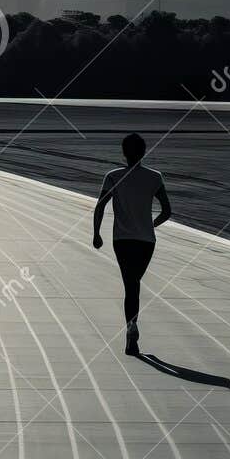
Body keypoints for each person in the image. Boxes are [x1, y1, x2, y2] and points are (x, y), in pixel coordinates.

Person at [92, 132, 171, 356]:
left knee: (130, 285)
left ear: (124, 153)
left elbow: (100, 206)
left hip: (122, 240)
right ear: (144, 152)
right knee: (134, 283)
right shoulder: (155, 177)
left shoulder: (113, 176)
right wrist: (151, 225)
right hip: (146, 240)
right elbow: (167, 211)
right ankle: (133, 327)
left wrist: (96, 233)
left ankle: (131, 328)